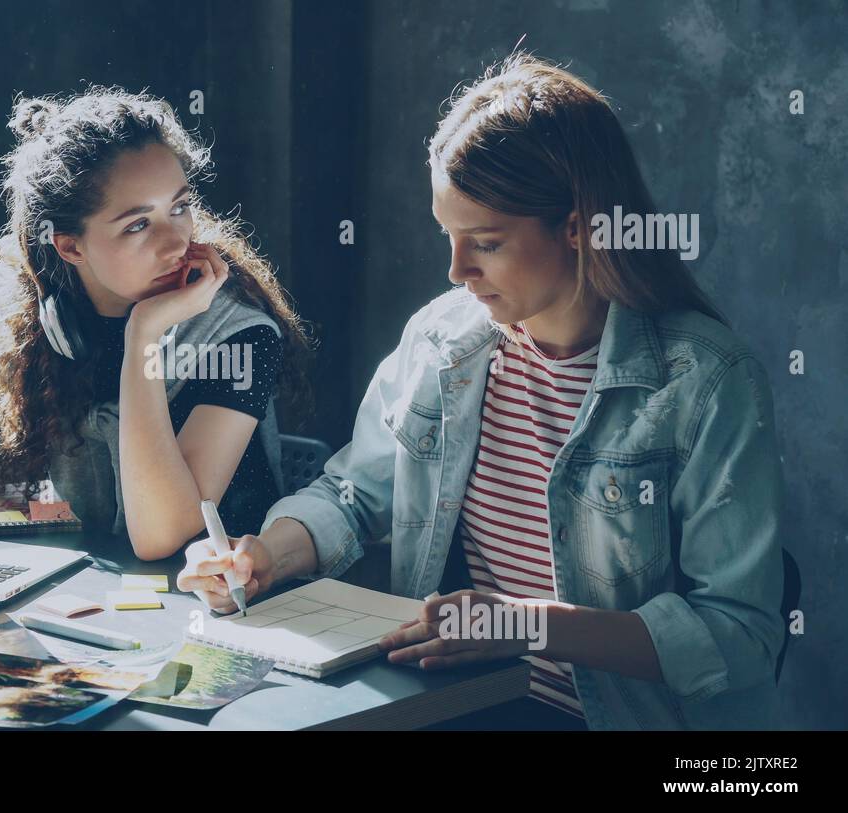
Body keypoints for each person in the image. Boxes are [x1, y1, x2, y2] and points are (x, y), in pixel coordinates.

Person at [178, 53, 786, 730]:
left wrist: (527, 625)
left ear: (578, 227)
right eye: (449, 235)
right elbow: (352, 496)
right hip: (454, 705)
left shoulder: (706, 381)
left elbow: (740, 633)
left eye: (486, 243)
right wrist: (264, 555)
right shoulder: (442, 341)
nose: (456, 269)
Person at [0, 87, 312, 560]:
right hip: (83, 584)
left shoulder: (240, 335)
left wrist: (143, 337)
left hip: (213, 595)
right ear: (71, 247)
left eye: (179, 207)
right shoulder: (18, 319)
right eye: (138, 225)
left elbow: (160, 536)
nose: (176, 243)